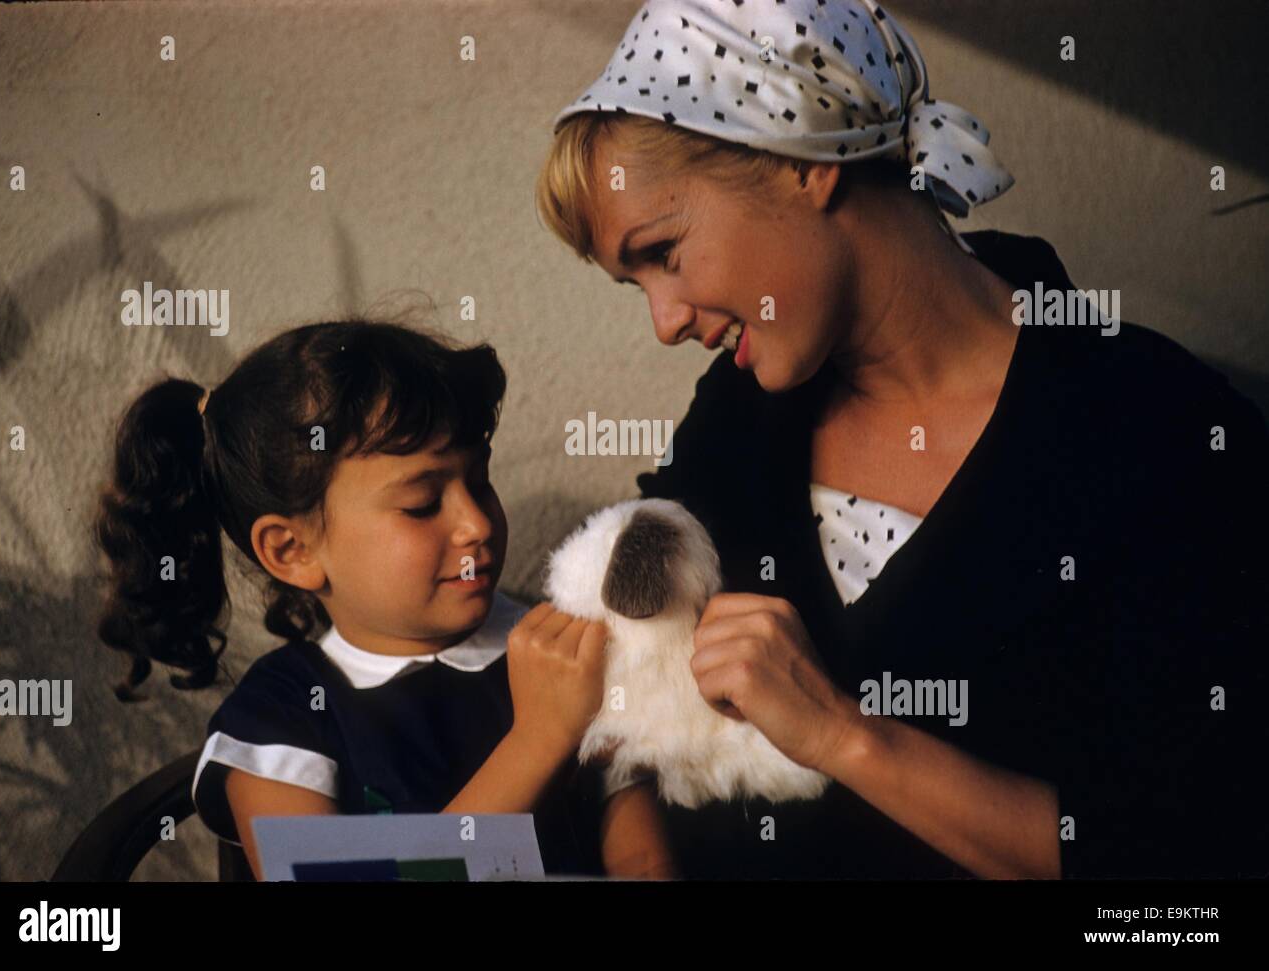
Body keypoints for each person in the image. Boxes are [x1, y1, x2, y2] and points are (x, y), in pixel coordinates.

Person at [535, 0, 1269, 878]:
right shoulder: (738, 419)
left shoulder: (1165, 435)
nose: (664, 321)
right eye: (634, 283)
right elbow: (633, 719)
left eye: (664, 252)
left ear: (800, 162)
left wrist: (845, 734)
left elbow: (1191, 883)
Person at [93, 316, 676, 879]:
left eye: (479, 480)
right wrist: (540, 739)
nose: (475, 523)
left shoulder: (557, 648)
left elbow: (642, 860)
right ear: (292, 550)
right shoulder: (280, 716)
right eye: (422, 504)